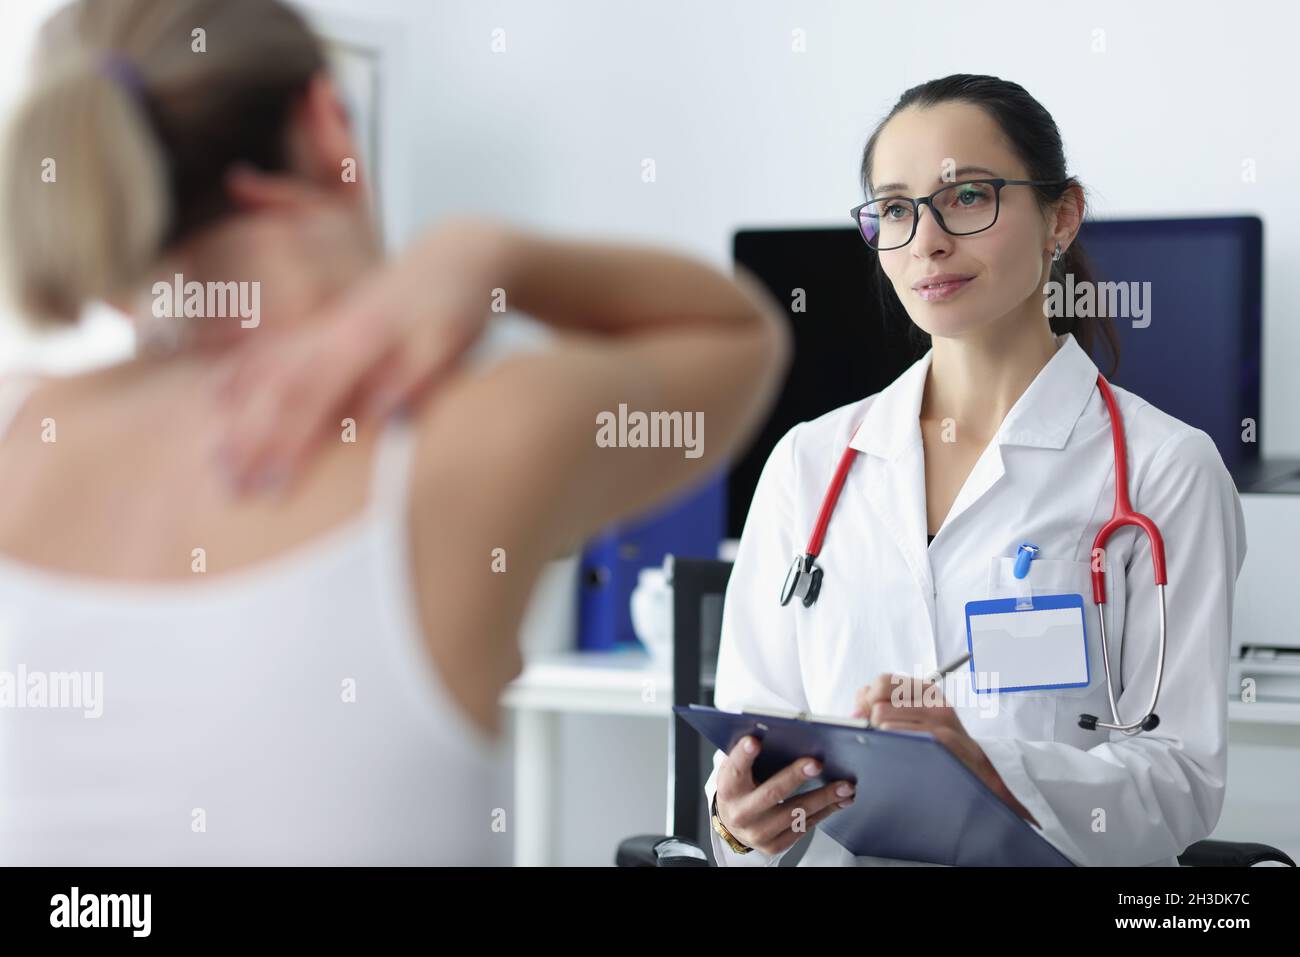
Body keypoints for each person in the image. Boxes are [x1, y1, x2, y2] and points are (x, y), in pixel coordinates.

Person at [0, 0, 790, 864]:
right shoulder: (462, 439)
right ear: (329, 125)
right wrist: (486, 254)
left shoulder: (15, 433)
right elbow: (742, 335)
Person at [705, 74, 1247, 867]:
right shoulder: (809, 463)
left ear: (1061, 217)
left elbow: (1179, 779)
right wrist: (736, 826)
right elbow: (748, 751)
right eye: (895, 208)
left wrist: (990, 771)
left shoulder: (1166, 471)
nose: (926, 240)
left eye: (967, 198)